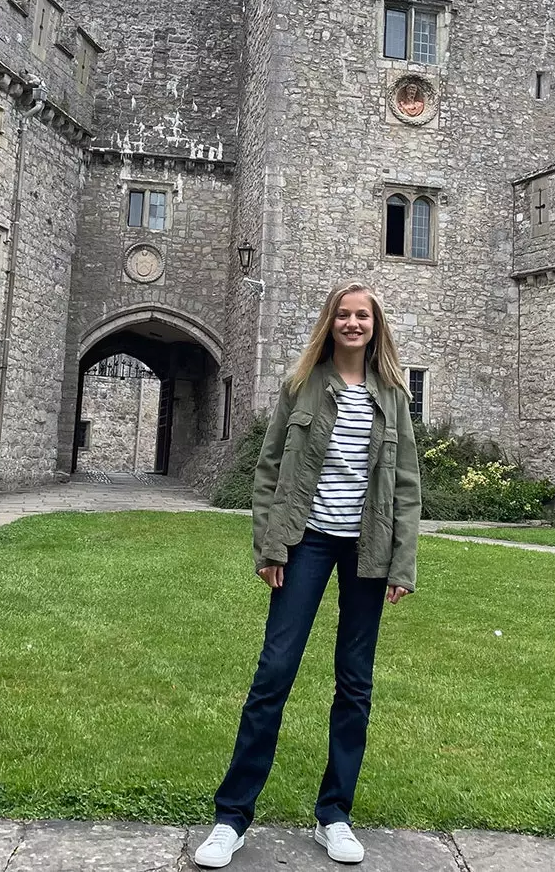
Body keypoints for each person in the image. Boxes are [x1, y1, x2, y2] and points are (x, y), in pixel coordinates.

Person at [193, 282, 422, 868]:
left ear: (375, 326)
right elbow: (270, 471)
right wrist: (270, 546)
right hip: (305, 543)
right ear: (331, 322)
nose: (352, 323)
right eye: (343, 315)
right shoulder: (301, 386)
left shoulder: (392, 394)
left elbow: (405, 488)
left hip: (367, 550)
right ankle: (232, 818)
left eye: (362, 316)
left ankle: (335, 815)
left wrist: (402, 563)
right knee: (275, 673)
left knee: (355, 682)